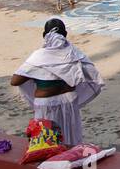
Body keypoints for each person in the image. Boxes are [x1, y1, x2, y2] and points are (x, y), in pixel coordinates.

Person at [11, 19, 105, 147]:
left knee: (47, 143)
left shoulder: (39, 56)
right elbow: (92, 75)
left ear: (44, 36)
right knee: (70, 140)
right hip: (69, 101)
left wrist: (41, 71)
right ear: (65, 34)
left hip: (46, 104)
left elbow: (15, 81)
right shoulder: (74, 53)